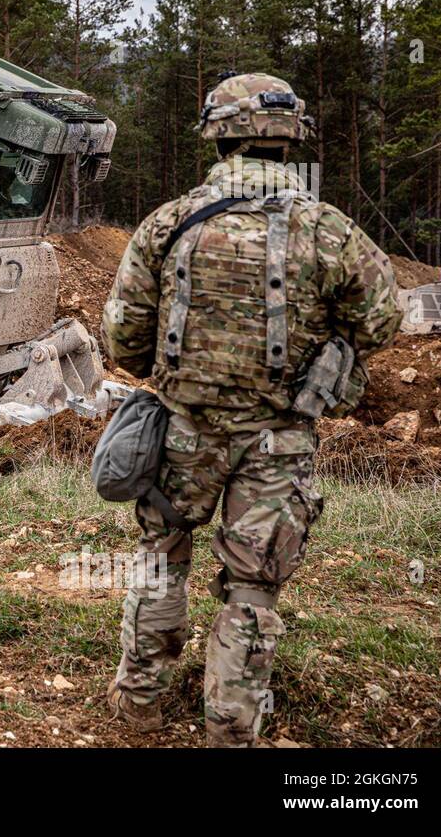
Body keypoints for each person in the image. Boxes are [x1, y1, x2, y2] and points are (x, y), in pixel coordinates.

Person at [99, 72, 401, 747]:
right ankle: (230, 729)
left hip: (181, 434)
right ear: (290, 141)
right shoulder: (327, 231)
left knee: (160, 556)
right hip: (278, 442)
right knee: (251, 590)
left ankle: (138, 705)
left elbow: (122, 339)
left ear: (217, 134)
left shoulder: (169, 223)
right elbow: (383, 317)